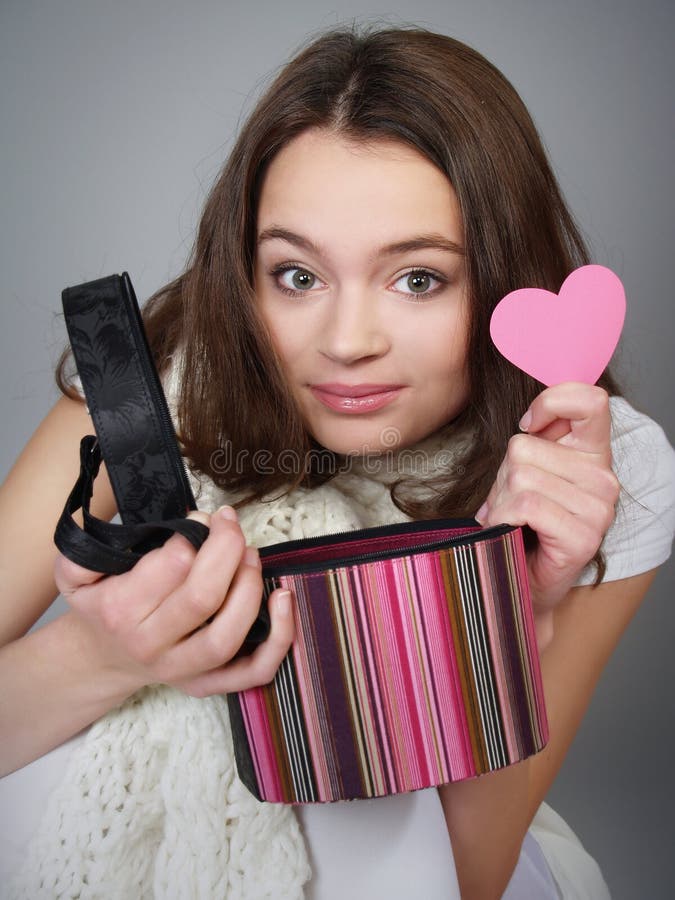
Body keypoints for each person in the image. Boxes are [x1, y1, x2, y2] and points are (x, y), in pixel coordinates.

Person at [1, 25, 673, 900]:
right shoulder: (144, 395)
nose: (347, 342)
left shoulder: (595, 469)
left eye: (418, 279)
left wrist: (518, 609)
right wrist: (108, 655)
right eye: (297, 276)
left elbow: (465, 875)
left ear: (503, 277)